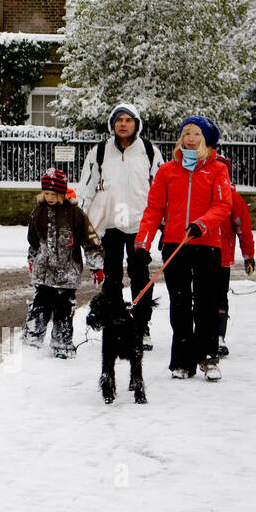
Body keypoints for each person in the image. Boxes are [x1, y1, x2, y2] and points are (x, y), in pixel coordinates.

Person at [134, 116, 233, 380]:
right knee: (179, 303)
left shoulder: (217, 170)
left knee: (206, 302)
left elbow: (223, 206)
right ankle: (182, 360)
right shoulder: (167, 170)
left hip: (206, 243)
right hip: (174, 244)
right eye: (186, 133)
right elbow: (154, 208)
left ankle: (208, 357)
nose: (190, 138)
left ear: (206, 140)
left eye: (196, 134)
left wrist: (202, 224)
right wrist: (143, 241)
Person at [77, 103, 164, 350]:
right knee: (112, 279)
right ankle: (115, 322)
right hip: (111, 224)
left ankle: (141, 326)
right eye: (119, 120)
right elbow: (86, 188)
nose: (123, 124)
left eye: (128, 120)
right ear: (112, 124)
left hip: (140, 224)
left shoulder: (149, 151)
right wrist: (82, 222)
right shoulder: (100, 152)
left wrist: (164, 224)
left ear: (136, 124)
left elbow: (161, 189)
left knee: (140, 278)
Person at [25, 167, 105, 359]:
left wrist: (96, 266)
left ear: (62, 193)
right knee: (39, 308)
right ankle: (31, 343)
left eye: (54, 194)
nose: (50, 197)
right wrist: (32, 260)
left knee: (63, 312)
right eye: (46, 193)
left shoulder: (75, 214)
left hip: (67, 275)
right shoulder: (38, 213)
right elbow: (33, 242)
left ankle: (62, 345)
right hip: (44, 274)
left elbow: (91, 241)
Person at [212, 152, 256, 357]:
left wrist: (248, 255)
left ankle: (219, 336)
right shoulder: (199, 195)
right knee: (203, 296)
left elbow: (242, 229)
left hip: (222, 255)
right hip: (200, 253)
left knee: (219, 296)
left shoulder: (233, 199)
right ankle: (204, 334)